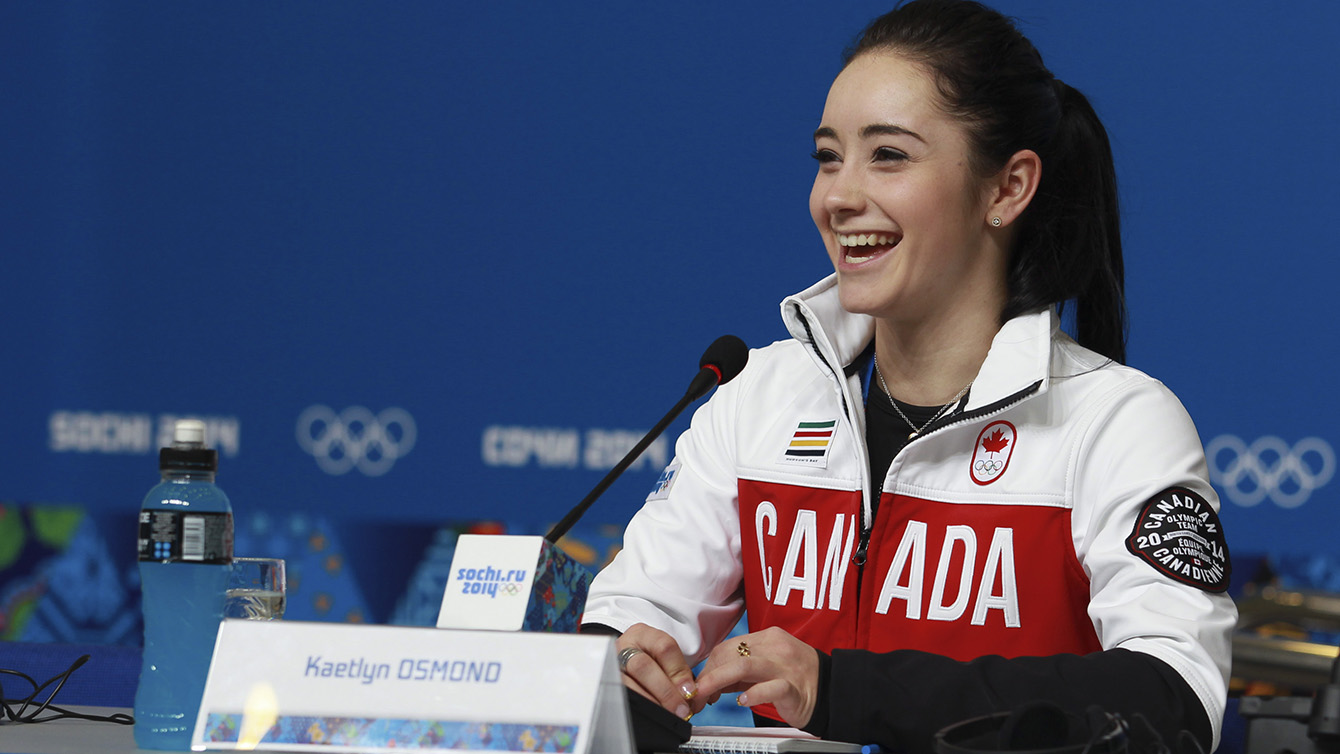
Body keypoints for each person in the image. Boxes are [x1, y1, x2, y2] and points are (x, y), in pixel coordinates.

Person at [579, 1, 1235, 752]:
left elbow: (1173, 695)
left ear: (1007, 188)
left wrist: (844, 691)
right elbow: (633, 611)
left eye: (887, 156)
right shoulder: (759, 394)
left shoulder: (1116, 422)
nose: (838, 196)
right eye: (829, 157)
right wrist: (623, 662)